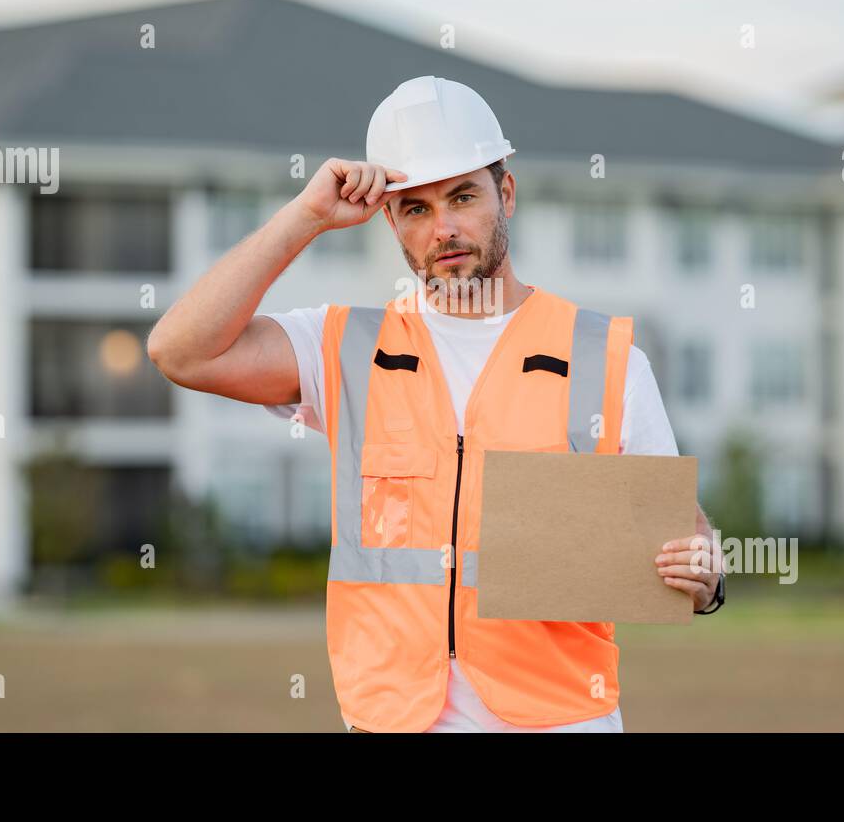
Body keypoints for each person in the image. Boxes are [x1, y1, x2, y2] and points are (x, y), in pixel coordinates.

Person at [147, 76, 723, 733]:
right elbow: (180, 351)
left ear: (505, 194)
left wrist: (706, 573)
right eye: (415, 208)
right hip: (394, 717)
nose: (444, 228)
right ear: (388, 219)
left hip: (560, 719)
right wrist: (304, 217)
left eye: (463, 197)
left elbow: (682, 534)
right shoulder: (344, 346)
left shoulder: (605, 355)